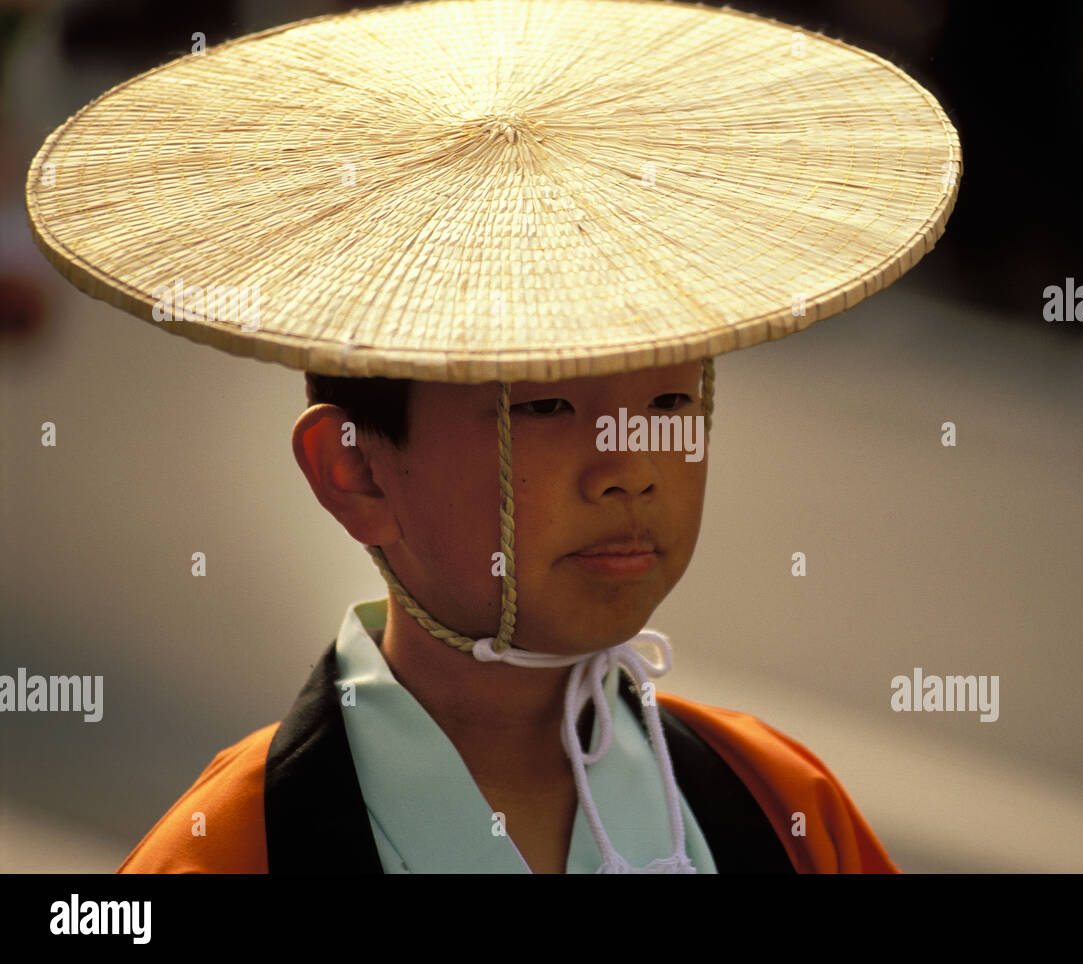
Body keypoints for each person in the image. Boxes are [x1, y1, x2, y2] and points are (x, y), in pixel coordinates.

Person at [26, 0, 960, 873]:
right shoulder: (238, 843)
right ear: (352, 469)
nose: (629, 465)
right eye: (548, 409)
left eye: (671, 404)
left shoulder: (775, 808)